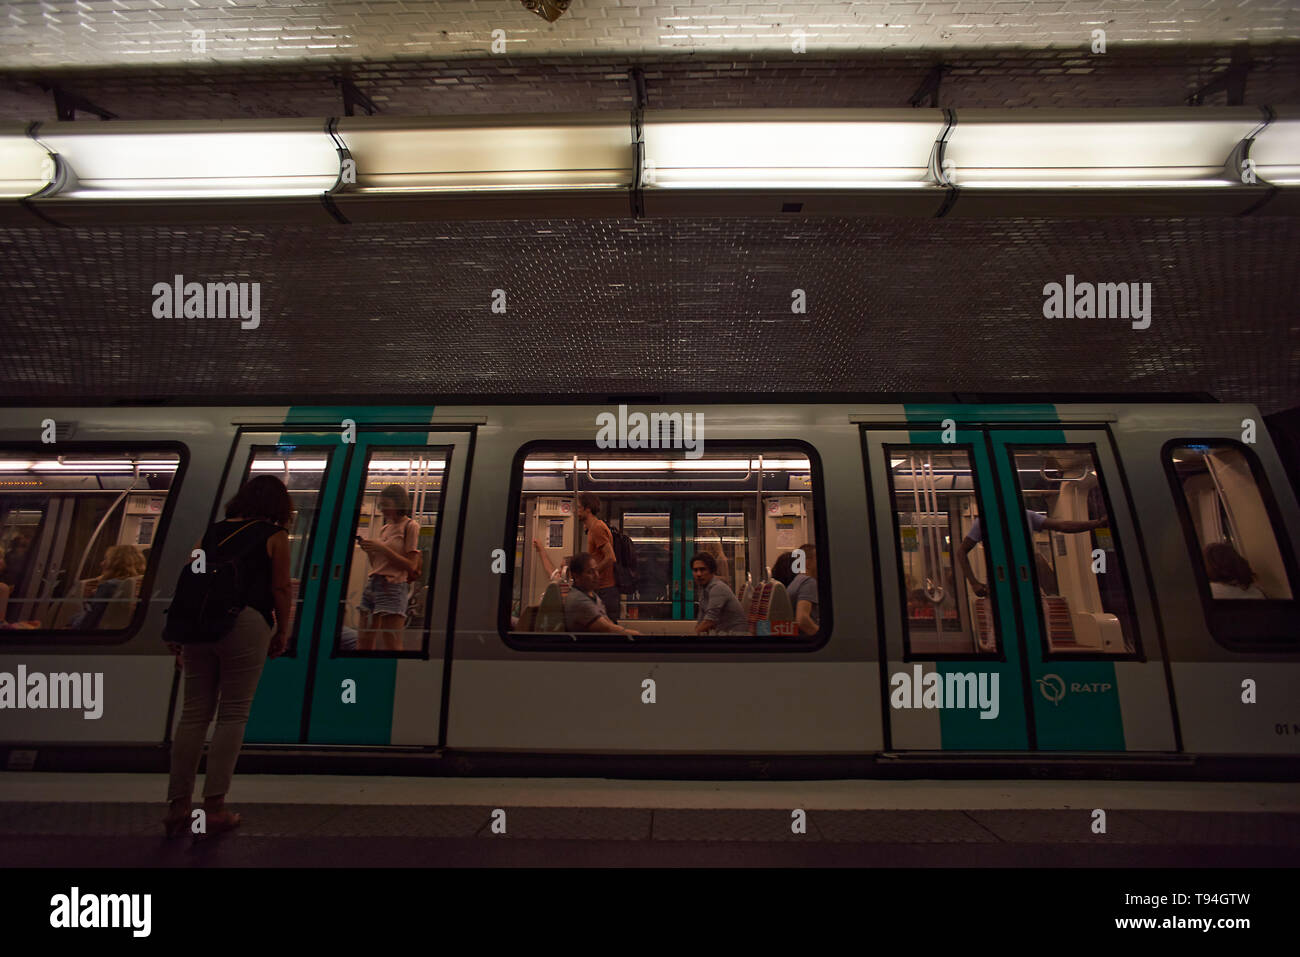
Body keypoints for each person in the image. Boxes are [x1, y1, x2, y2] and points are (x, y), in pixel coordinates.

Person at [164, 474, 293, 839]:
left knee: (192, 715)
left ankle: (178, 806)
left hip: (199, 627)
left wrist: (179, 631)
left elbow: (190, 579)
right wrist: (283, 629)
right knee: (233, 712)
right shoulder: (274, 536)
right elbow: (281, 587)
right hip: (246, 622)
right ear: (279, 507)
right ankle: (215, 808)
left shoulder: (212, 533)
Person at [957, 508, 1107, 598]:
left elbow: (1063, 525)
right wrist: (974, 583)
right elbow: (961, 551)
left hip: (1029, 583)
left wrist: (1097, 523)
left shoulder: (1027, 515)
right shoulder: (984, 521)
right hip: (998, 585)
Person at [357, 484, 420, 652]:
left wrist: (382, 548)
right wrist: (370, 551)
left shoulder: (410, 526)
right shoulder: (385, 528)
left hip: (392, 586)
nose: (382, 509)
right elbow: (378, 565)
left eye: (386, 505)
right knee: (364, 638)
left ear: (398, 504)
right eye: (381, 505)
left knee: (390, 642)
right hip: (374, 583)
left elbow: (411, 565)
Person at [67, 544, 146, 630]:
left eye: (106, 559)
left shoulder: (109, 586)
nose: (102, 563)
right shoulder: (139, 584)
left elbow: (86, 624)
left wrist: (73, 618)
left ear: (116, 564)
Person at [563, 552, 639, 636]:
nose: (597, 575)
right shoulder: (578, 600)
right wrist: (637, 635)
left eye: (596, 570)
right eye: (590, 572)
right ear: (577, 577)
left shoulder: (592, 595)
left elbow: (608, 623)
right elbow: (607, 629)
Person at [576, 492, 620, 623]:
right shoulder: (592, 529)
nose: (576, 510)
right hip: (602, 589)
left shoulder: (597, 529)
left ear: (587, 509)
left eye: (579, 507)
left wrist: (591, 575)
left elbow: (611, 557)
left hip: (606, 591)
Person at [690, 551, 749, 635]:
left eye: (702, 569)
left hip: (736, 635)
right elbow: (701, 620)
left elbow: (709, 621)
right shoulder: (704, 590)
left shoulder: (717, 588)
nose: (698, 574)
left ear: (712, 571)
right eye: (695, 570)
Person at [787, 543, 820, 635]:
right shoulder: (809, 582)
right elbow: (802, 619)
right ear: (808, 563)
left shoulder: (797, 581)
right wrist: (821, 635)